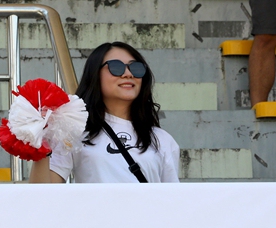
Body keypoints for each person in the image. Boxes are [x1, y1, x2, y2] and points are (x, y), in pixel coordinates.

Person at [29, 42, 180, 183]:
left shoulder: (162, 139)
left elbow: (172, 200)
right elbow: (44, 193)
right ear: (95, 74)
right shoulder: (74, 131)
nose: (128, 74)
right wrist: (41, 143)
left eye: (136, 68)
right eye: (116, 67)